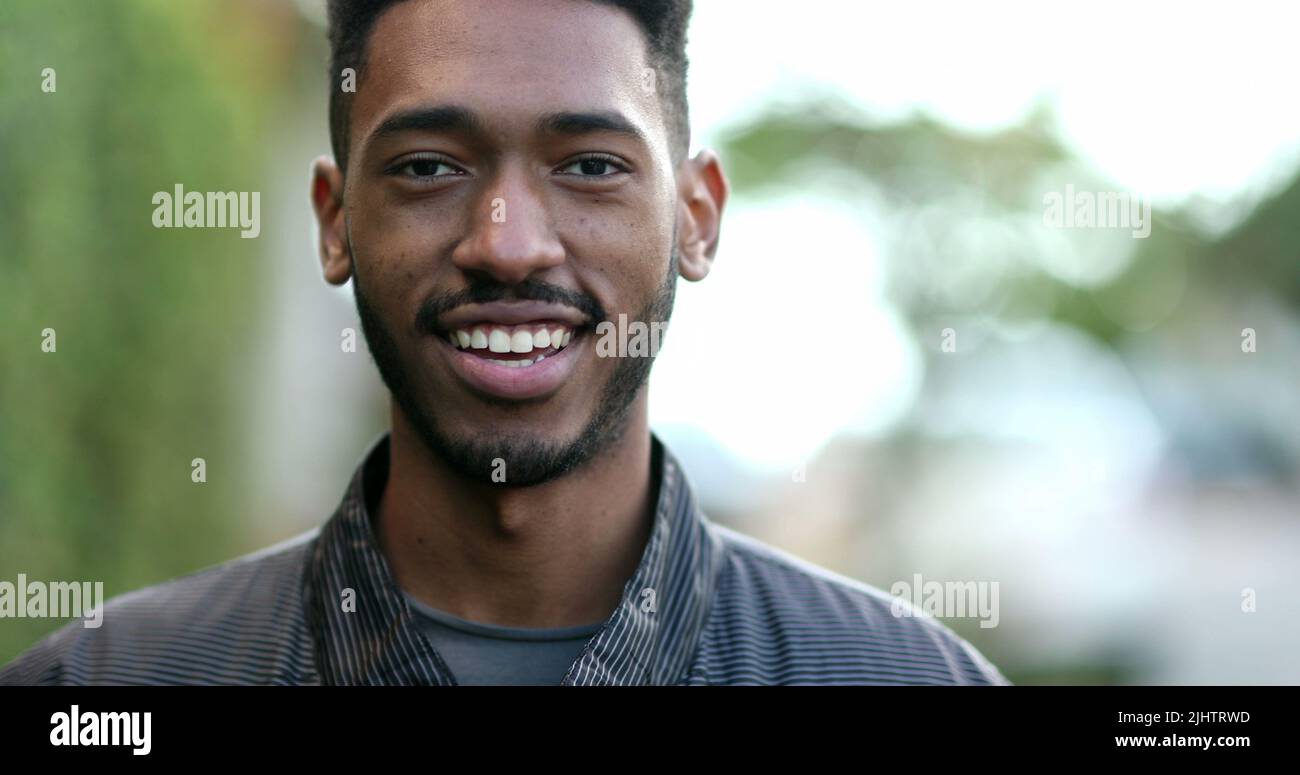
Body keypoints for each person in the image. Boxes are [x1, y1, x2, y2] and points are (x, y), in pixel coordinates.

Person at [1, 0, 1009, 686]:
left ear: (696, 218)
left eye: (590, 165)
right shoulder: (103, 686)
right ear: (334, 221)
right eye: (431, 166)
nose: (508, 244)